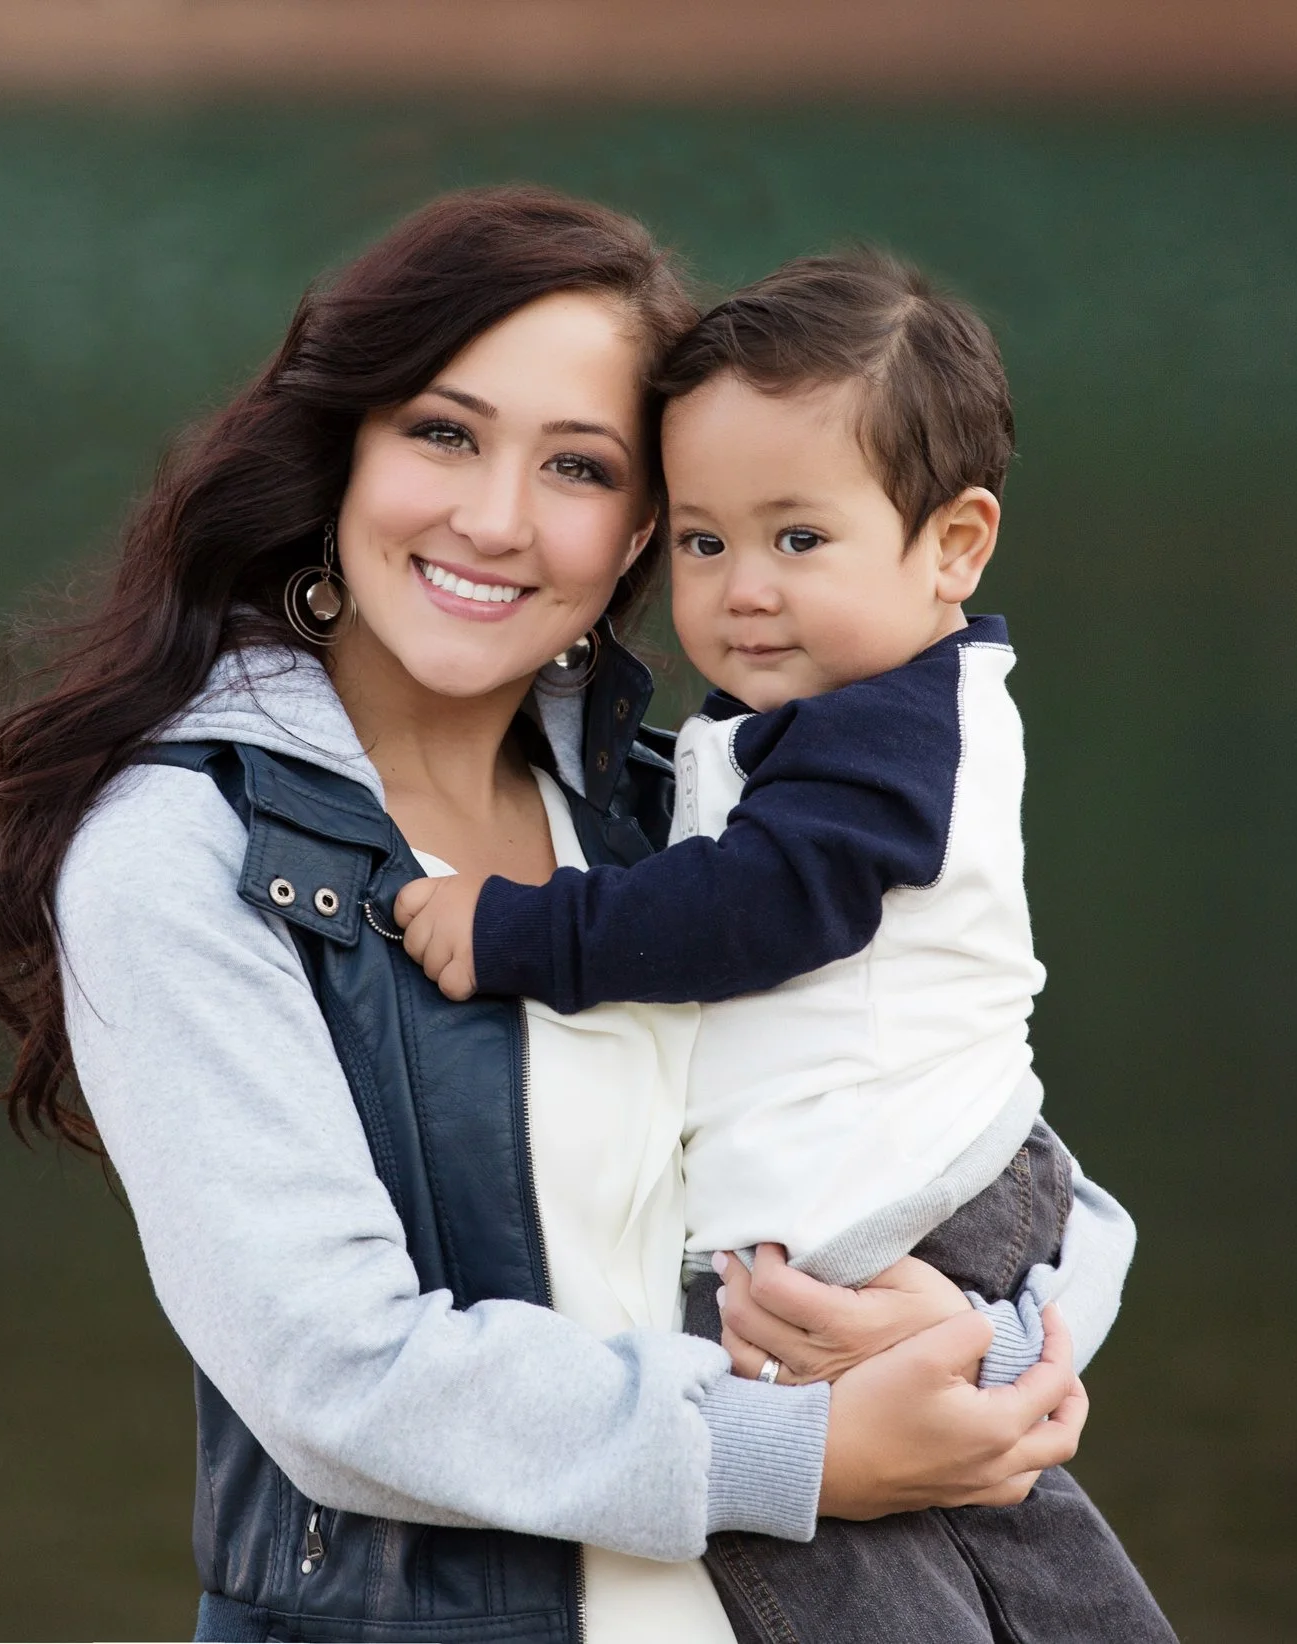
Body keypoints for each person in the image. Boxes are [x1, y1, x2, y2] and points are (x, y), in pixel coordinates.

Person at [0, 187, 1116, 1643]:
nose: (496, 519)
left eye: (577, 467)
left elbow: (1010, 1167)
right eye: (443, 434)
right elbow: (339, 1378)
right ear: (342, 453)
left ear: (643, 526)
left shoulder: (671, 819)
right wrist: (813, 1450)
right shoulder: (188, 848)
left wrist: (985, 1346)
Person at [393, 252, 1175, 1640]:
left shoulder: (883, 732)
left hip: (890, 1205)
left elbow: (752, 909)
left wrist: (517, 930)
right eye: (703, 542)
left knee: (819, 1532)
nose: (743, 590)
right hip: (934, 1183)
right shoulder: (875, 710)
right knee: (999, 1510)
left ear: (954, 545)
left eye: (798, 540)